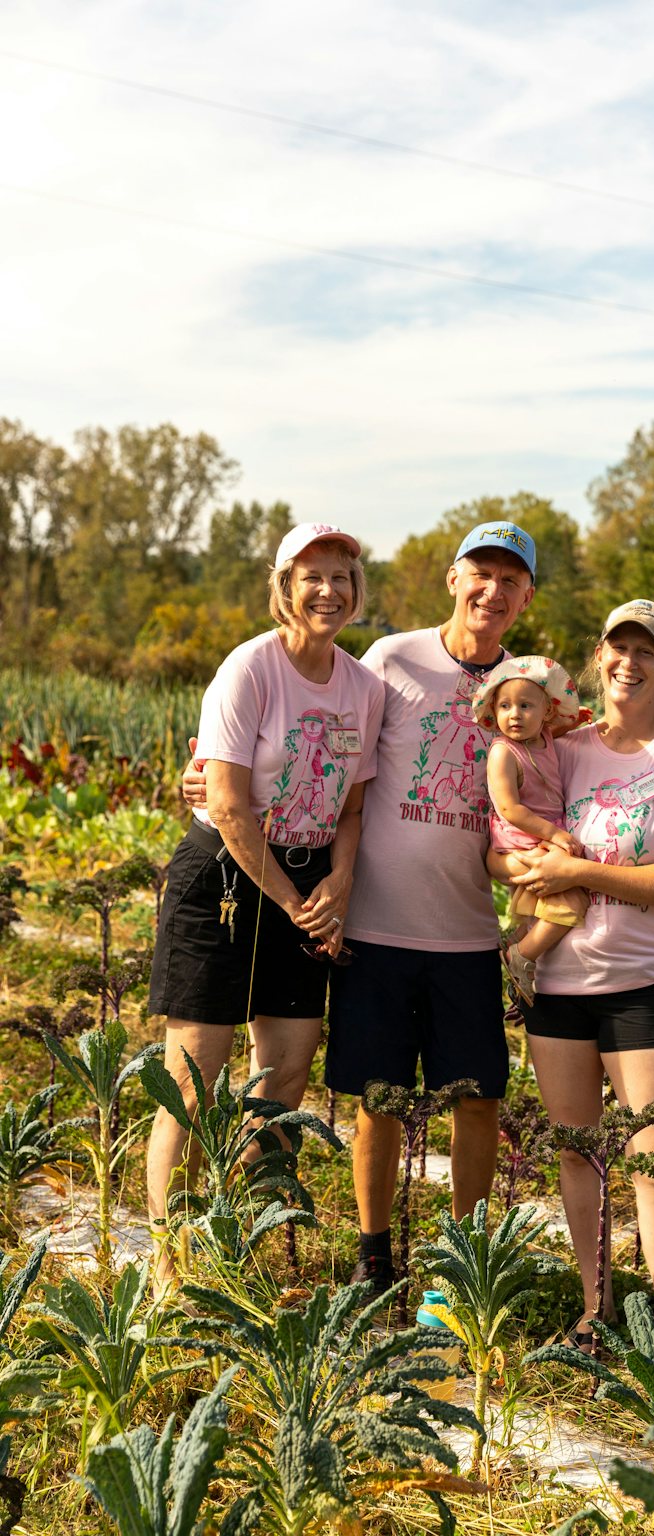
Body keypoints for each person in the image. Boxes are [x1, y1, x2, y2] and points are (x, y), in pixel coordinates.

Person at [148, 522, 385, 1291]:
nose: (328, 590)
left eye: (342, 577)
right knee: (196, 1078)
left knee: (284, 1072)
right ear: (284, 586)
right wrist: (289, 900)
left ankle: (239, 1240)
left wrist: (338, 883)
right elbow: (227, 801)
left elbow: (351, 806)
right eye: (310, 576)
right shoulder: (250, 669)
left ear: (357, 590)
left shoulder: (363, 686)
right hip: (224, 876)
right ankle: (169, 1265)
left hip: (309, 881)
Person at [496, 600, 654, 1355]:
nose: (628, 662)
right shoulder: (563, 745)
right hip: (559, 983)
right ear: (600, 656)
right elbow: (501, 828)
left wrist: (578, 871)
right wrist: (521, 868)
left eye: (646, 652)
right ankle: (596, 1312)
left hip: (644, 984)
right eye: (617, 648)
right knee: (576, 1151)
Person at [322, 521, 540, 1291]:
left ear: (527, 597)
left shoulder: (528, 686)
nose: (493, 590)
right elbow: (338, 768)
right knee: (378, 1100)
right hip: (377, 927)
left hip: (468, 935)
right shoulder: (392, 659)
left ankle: (459, 1269)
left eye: (511, 580)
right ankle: (373, 1255)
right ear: (452, 578)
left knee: (477, 1100)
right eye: (481, 573)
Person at [471, 655, 589, 1005]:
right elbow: (510, 808)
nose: (514, 715)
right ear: (494, 712)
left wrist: (575, 725)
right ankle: (522, 954)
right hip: (522, 836)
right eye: (504, 706)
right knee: (574, 900)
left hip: (542, 833)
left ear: (546, 714)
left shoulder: (544, 738)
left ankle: (520, 937)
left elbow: (554, 737)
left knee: (567, 891)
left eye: (525, 706)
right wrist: (553, 835)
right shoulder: (503, 753)